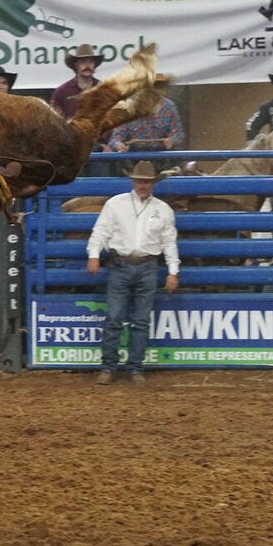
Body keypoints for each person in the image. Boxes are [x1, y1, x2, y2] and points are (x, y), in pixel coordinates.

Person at [86, 161, 179, 385]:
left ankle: (133, 367)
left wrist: (173, 271)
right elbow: (100, 232)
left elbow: (169, 242)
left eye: (146, 182)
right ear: (133, 181)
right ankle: (110, 366)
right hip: (121, 263)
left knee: (140, 321)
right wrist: (94, 254)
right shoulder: (115, 204)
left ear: (152, 184)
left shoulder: (163, 210)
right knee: (115, 318)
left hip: (147, 266)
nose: (142, 185)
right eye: (139, 181)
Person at [51, 44, 112, 176]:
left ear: (95, 65)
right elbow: (54, 122)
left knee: (99, 192)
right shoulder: (62, 92)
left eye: (90, 61)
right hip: (72, 149)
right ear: (76, 65)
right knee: (72, 191)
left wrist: (108, 144)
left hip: (99, 148)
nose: (87, 65)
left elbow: (112, 118)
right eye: (83, 61)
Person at [107, 75, 184, 174]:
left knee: (177, 153)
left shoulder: (169, 107)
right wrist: (119, 145)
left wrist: (172, 140)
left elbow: (178, 133)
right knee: (118, 159)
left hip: (161, 158)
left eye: (159, 87)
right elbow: (115, 139)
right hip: (133, 159)